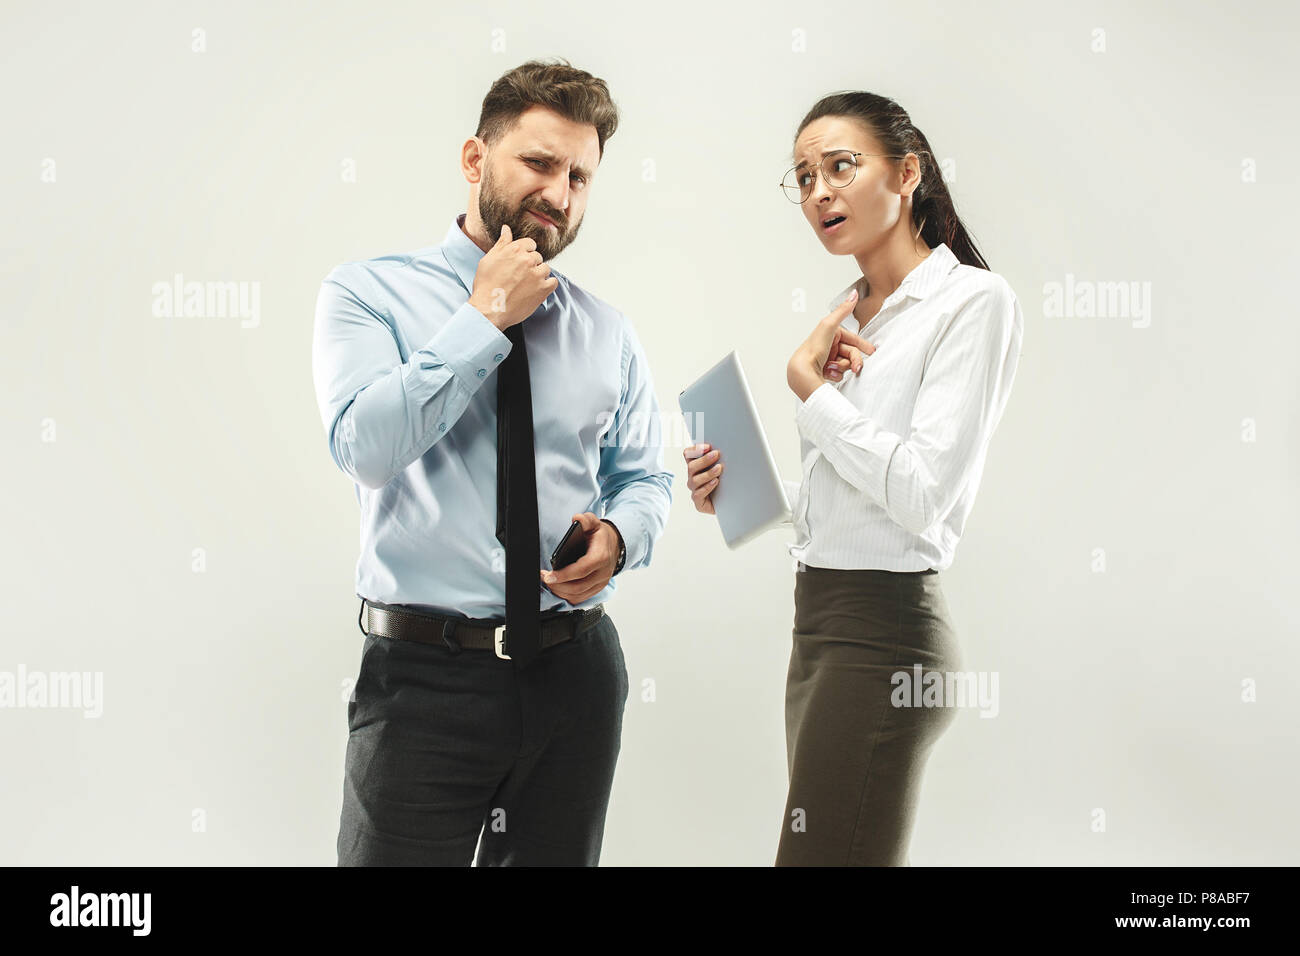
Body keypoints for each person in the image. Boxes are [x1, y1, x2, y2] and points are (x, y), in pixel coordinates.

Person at [312, 58, 672, 866]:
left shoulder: (605, 330)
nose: (560, 193)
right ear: (476, 161)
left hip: (574, 674)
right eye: (540, 163)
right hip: (423, 683)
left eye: (580, 176)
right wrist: (483, 317)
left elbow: (647, 477)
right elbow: (365, 448)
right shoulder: (367, 294)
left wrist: (619, 535)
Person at [685, 91, 1023, 866]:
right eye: (803, 177)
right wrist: (749, 494)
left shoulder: (972, 302)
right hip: (821, 626)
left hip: (887, 634)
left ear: (908, 174)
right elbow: (856, 502)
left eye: (841, 166)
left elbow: (923, 495)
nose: (819, 192)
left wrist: (811, 392)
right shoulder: (847, 313)